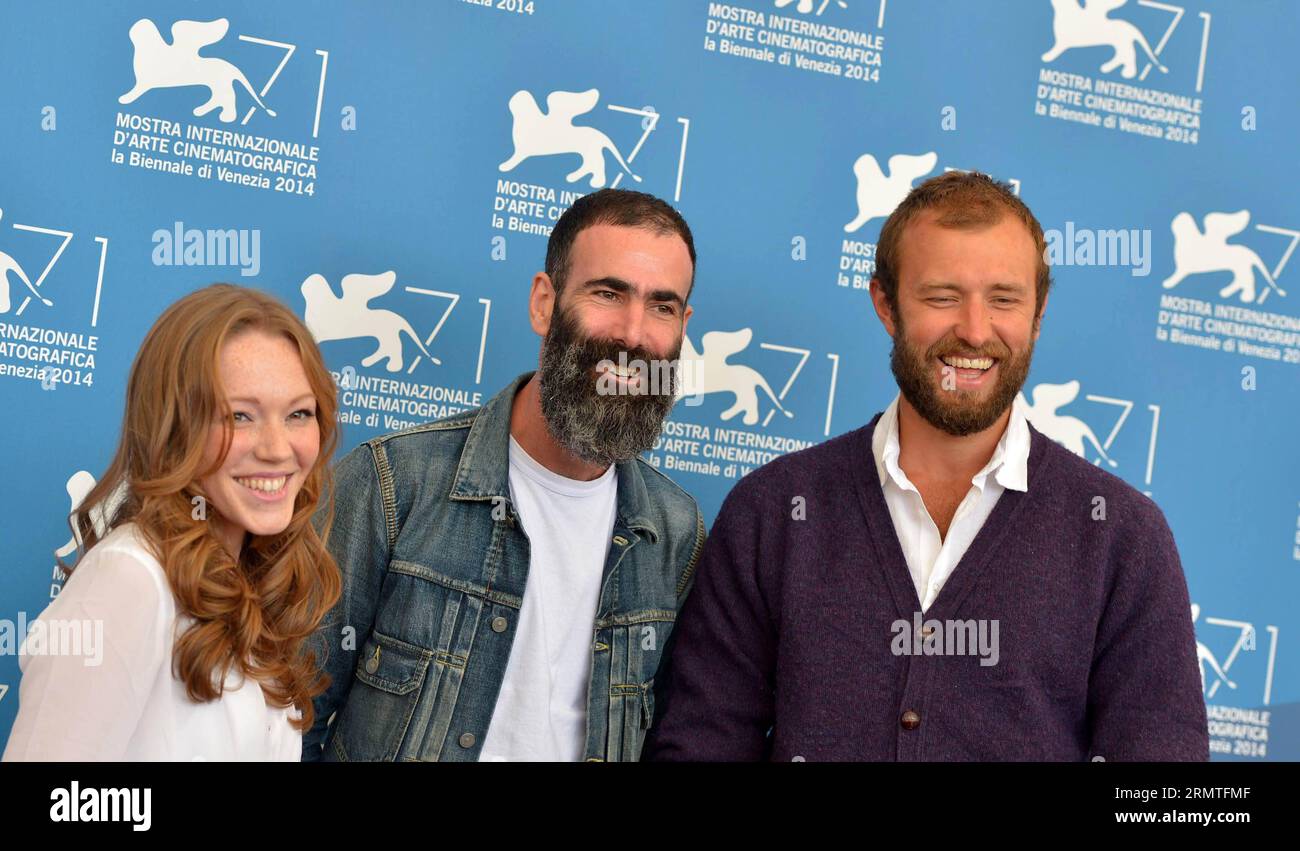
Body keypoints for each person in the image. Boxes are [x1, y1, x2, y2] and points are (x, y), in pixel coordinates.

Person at [644, 171, 1209, 761]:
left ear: (1038, 314)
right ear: (886, 305)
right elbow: (702, 742)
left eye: (1004, 299)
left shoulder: (1121, 536)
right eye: (942, 297)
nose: (974, 329)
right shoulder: (775, 511)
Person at [303, 188, 705, 762]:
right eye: (608, 293)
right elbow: (286, 719)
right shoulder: (393, 485)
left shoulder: (676, 532)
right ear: (544, 302)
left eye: (662, 307)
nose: (633, 335)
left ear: (683, 327)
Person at [3, 284, 341, 761]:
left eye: (298, 414)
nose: (277, 448)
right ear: (175, 426)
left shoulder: (250, 581)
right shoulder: (129, 577)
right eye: (239, 415)